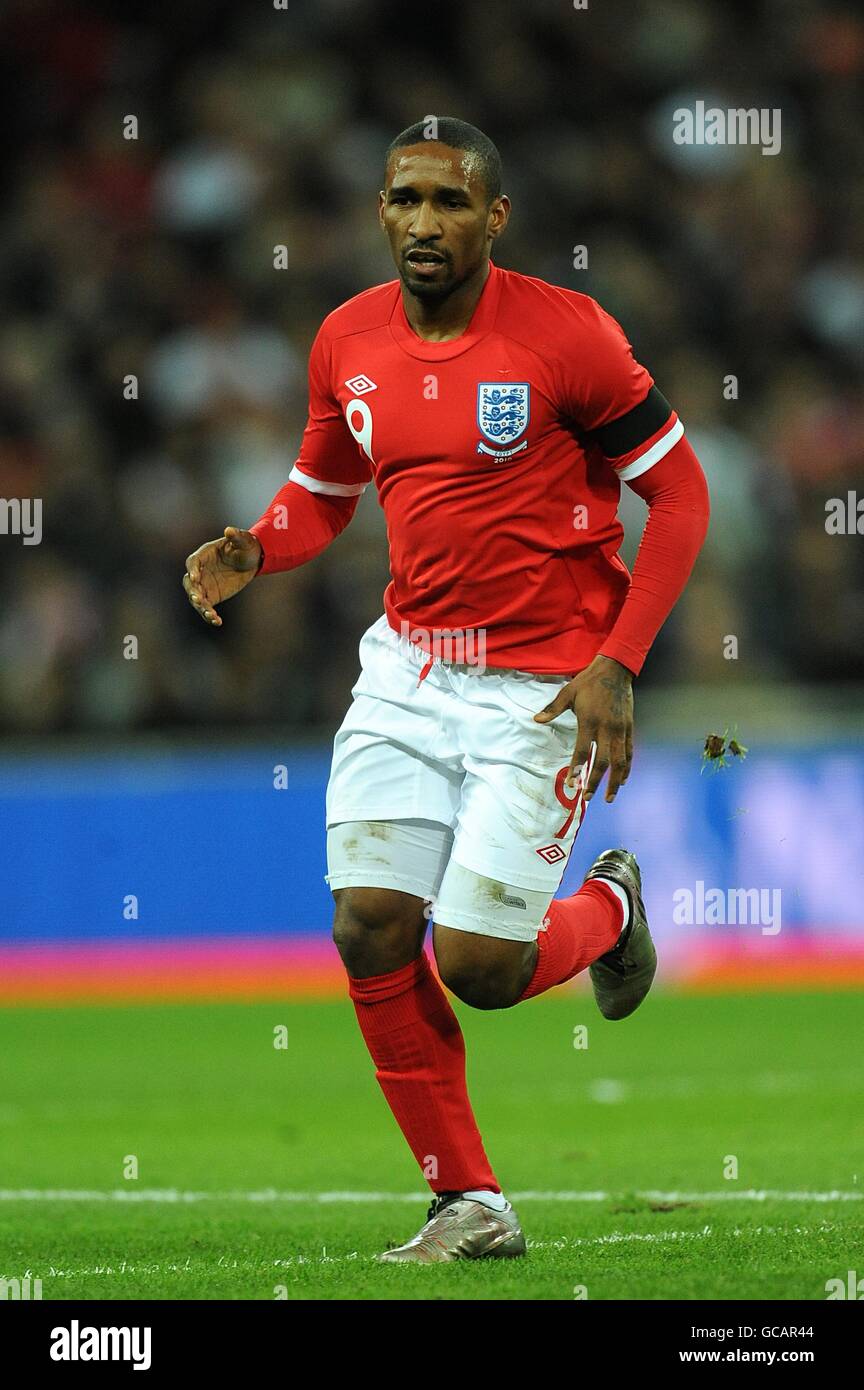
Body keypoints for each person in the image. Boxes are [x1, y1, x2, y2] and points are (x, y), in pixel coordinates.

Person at [183, 117, 710, 1263]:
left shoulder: (570, 338)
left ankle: (611, 913)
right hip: (410, 669)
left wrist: (616, 661)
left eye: (451, 201)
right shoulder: (346, 340)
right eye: (405, 198)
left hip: (542, 687)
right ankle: (468, 1202)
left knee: (479, 965)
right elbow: (323, 490)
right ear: (380, 208)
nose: (424, 221)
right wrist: (257, 548)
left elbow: (681, 495)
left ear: (496, 218)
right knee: (368, 926)